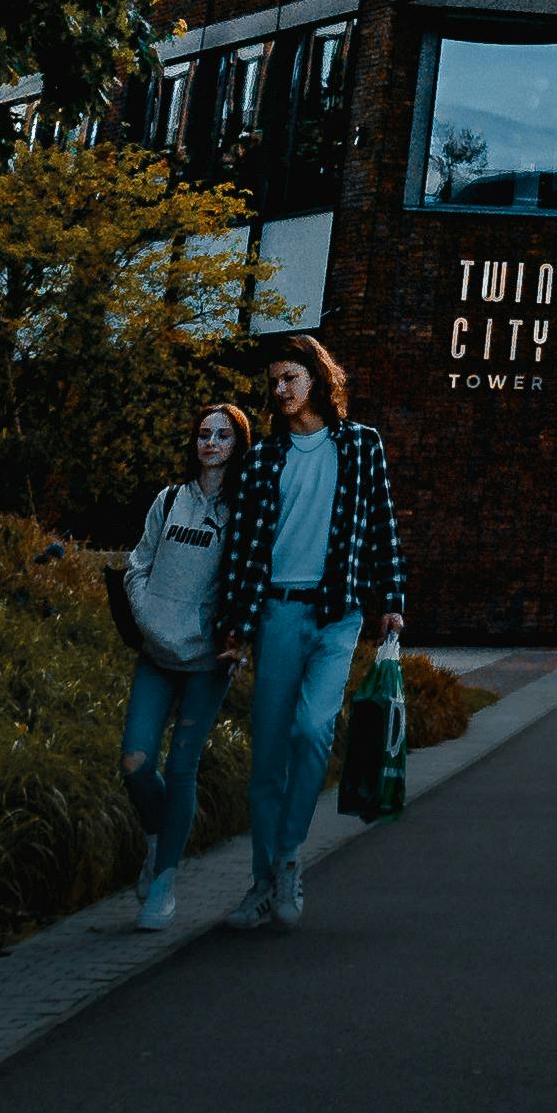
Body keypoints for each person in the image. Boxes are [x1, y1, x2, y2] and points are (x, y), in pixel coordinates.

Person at [203, 336, 406, 933]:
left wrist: (391, 602)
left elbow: (382, 524)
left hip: (337, 613)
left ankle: (290, 857)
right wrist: (236, 628)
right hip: (277, 614)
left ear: (317, 379)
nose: (281, 389)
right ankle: (262, 882)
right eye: (274, 381)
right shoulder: (264, 458)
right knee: (267, 757)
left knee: (314, 730)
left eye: (290, 376)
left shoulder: (361, 445)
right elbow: (243, 549)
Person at [113, 401, 251, 930]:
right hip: (156, 652)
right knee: (134, 762)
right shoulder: (169, 499)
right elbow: (138, 563)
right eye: (202, 434)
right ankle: (158, 838)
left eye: (221, 435)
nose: (210, 443)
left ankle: (164, 883)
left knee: (181, 768)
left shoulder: (242, 512)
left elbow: (246, 583)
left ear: (237, 446)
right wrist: (146, 612)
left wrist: (237, 637)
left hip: (205, 661)